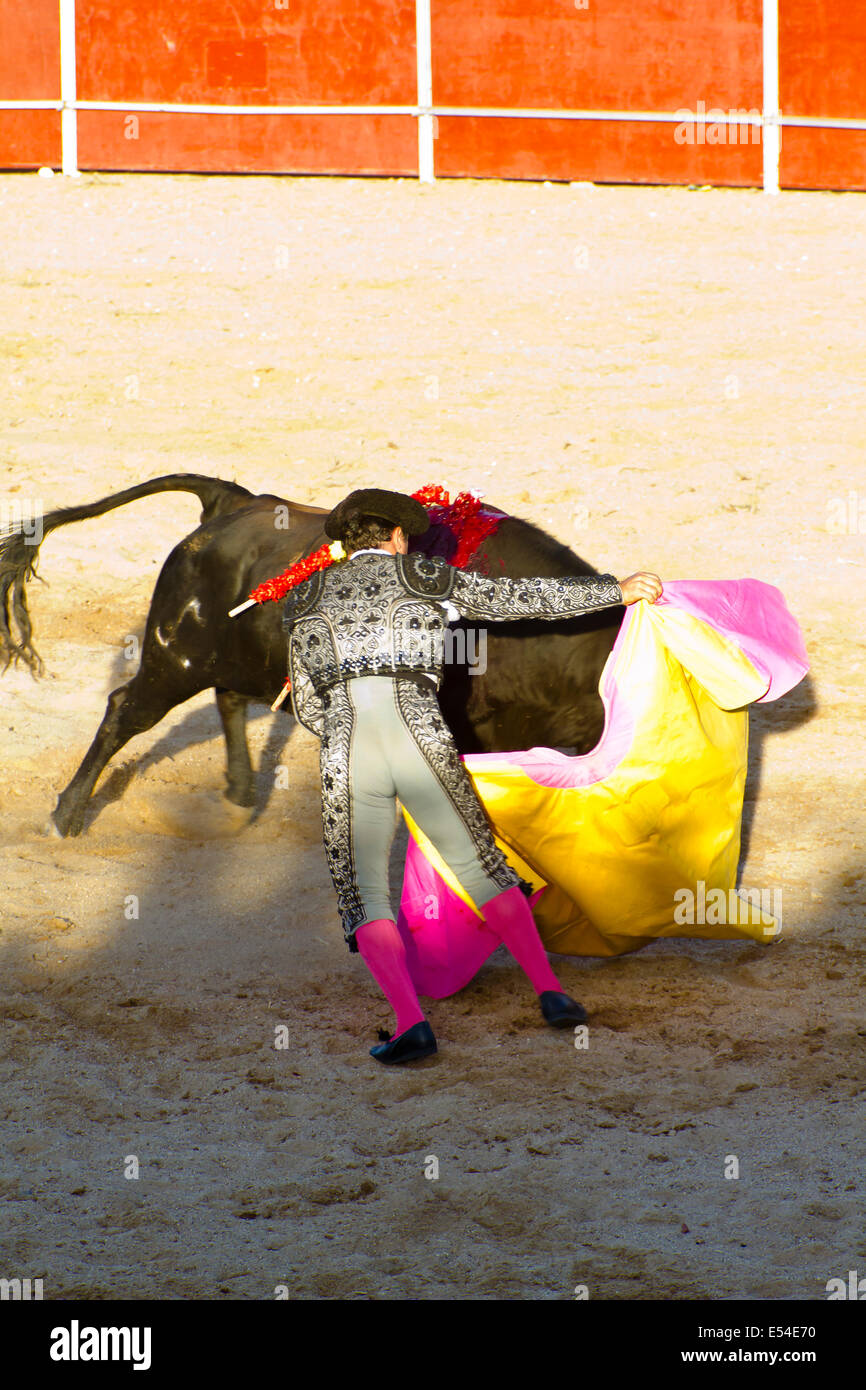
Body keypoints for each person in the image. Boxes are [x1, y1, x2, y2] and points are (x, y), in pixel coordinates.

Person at [282, 488, 663, 1064]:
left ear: (346, 543)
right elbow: (520, 600)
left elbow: (307, 704)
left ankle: (412, 1024)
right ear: (398, 538)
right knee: (479, 863)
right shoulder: (427, 578)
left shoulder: (302, 599)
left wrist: (344, 728)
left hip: (346, 747)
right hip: (420, 735)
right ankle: (551, 993)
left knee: (364, 892)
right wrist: (614, 590)